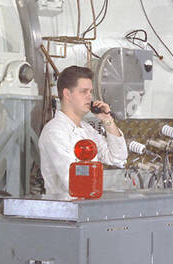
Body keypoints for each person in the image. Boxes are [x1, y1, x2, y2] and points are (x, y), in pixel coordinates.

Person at [38, 66, 128, 198]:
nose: (89, 97)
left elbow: (118, 157)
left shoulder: (86, 130)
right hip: (66, 210)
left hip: (87, 207)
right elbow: (74, 183)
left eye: (90, 92)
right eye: (84, 92)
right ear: (67, 94)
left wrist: (107, 120)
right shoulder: (55, 132)